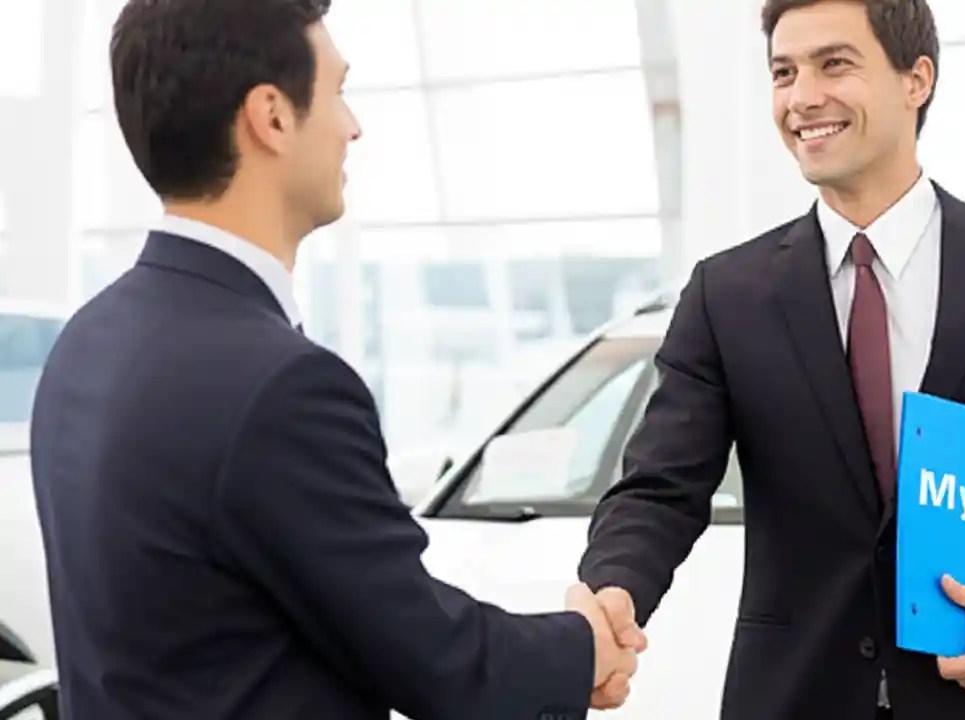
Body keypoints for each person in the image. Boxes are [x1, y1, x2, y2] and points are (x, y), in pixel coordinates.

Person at [576, 0, 965, 718]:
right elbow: (660, 489)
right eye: (784, 72)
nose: (802, 96)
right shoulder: (727, 293)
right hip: (794, 697)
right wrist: (613, 591)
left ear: (917, 79)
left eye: (833, 64)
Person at [29, 1, 644, 718]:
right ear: (272, 117)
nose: (353, 126)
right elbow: (433, 657)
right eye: (338, 91)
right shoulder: (281, 385)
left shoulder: (85, 344)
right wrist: (583, 648)